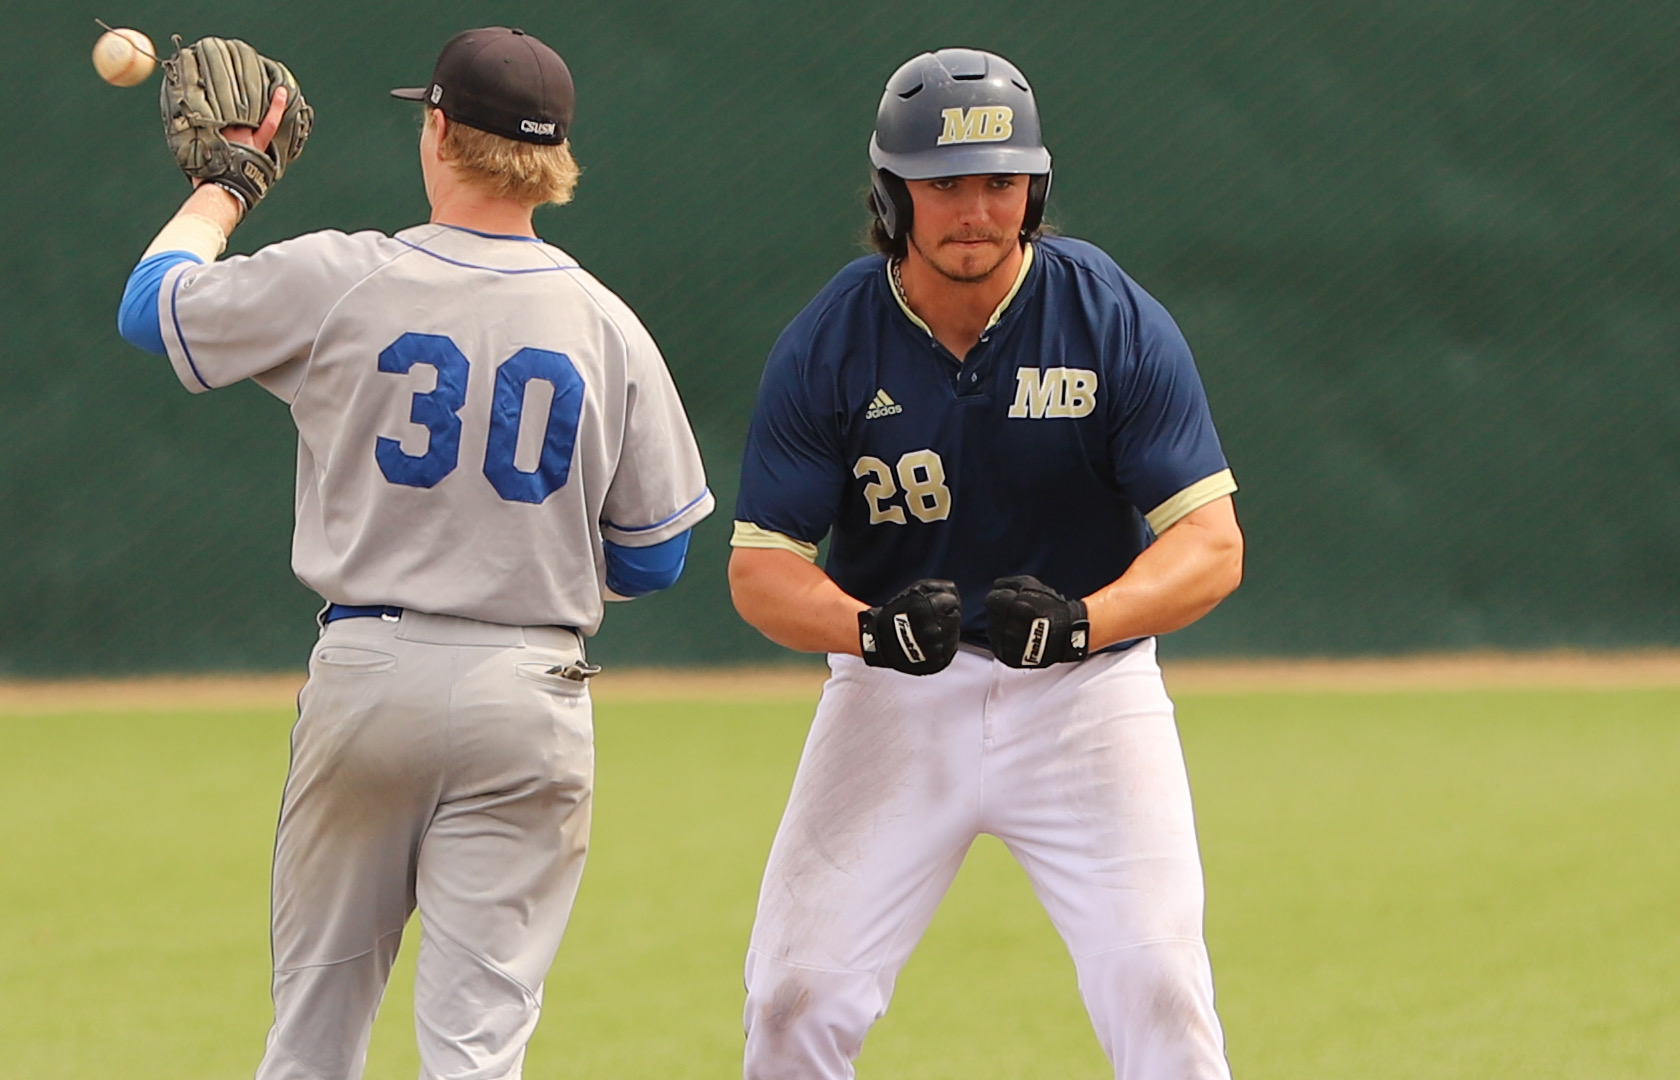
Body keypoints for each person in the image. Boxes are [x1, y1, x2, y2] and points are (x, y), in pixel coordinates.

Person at [115, 27, 713, 1080]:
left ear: (438, 130)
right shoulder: (607, 325)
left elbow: (152, 310)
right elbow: (657, 559)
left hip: (372, 674)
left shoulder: (347, 277)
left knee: (312, 1036)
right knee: (477, 1052)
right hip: (533, 690)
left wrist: (230, 185)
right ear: (555, 160)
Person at [728, 47, 1243, 1080]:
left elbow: (1211, 546)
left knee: (1160, 987)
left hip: (1087, 697)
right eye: (943, 184)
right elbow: (761, 571)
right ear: (892, 193)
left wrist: (1088, 620)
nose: (975, 210)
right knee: (796, 998)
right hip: (893, 695)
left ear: (1034, 188)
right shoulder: (833, 339)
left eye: (999, 182)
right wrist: (868, 630)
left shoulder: (1108, 315)